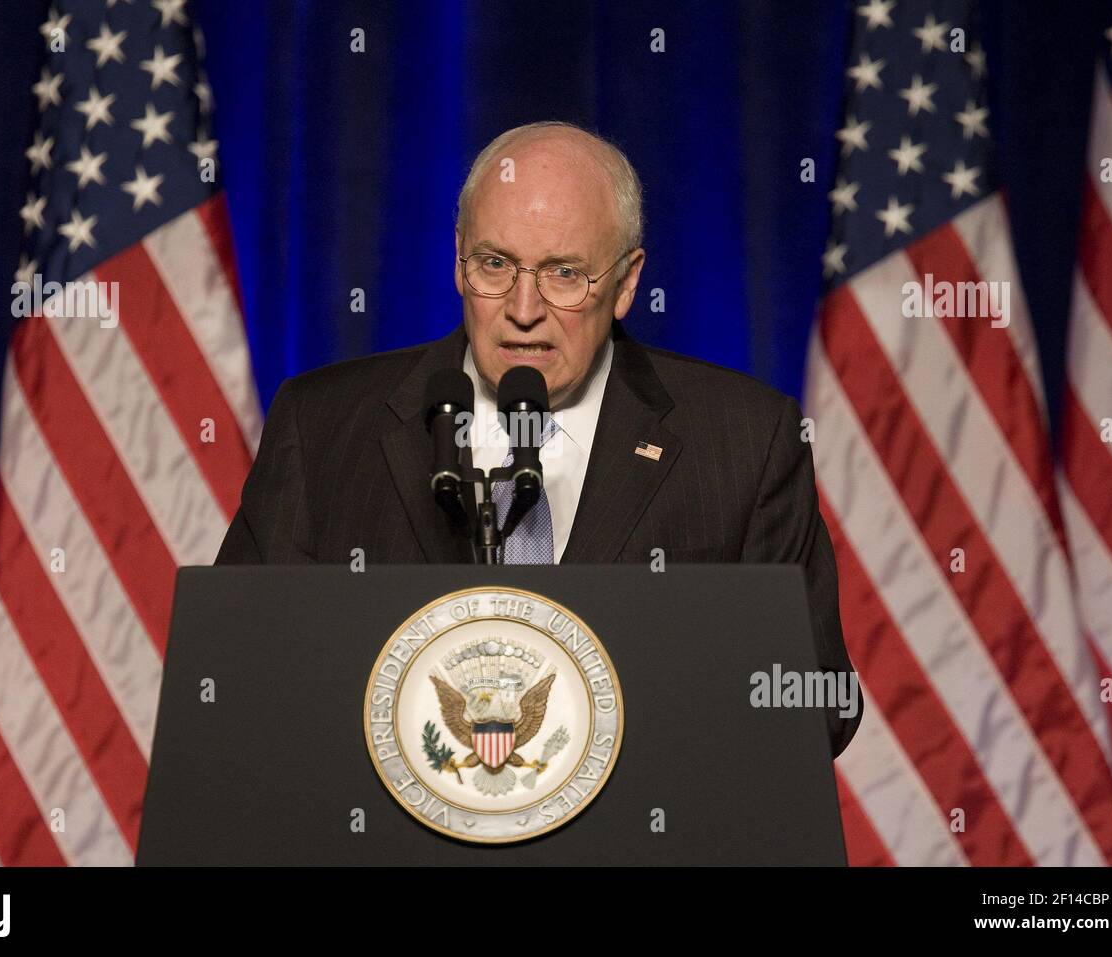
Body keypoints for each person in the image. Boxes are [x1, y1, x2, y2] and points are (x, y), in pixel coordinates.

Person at [216, 121, 860, 756]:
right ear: (458, 259)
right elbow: (236, 678)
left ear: (627, 282)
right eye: (495, 264)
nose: (524, 309)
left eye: (564, 274)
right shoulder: (325, 426)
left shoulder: (744, 442)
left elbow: (818, 705)